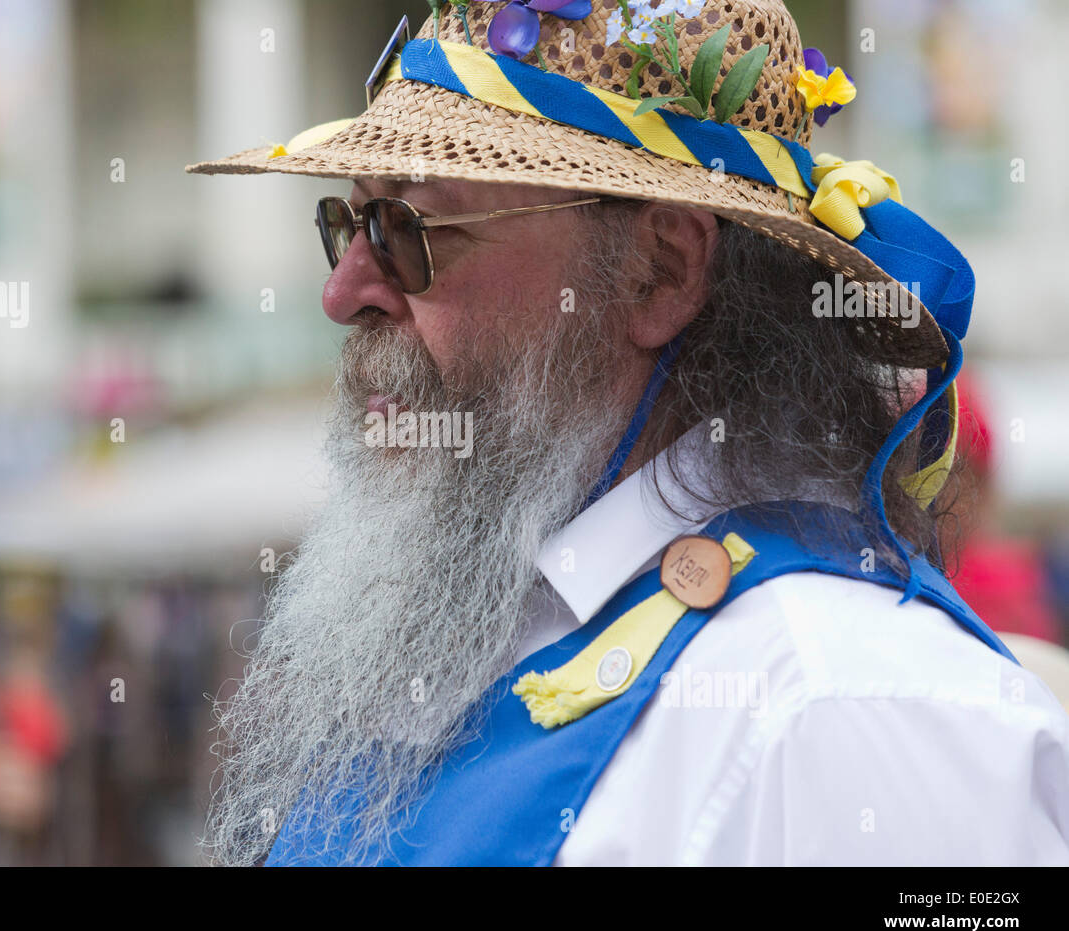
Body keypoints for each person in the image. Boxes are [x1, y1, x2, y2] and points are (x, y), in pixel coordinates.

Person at [187, 0, 1069, 865]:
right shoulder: (457, 632)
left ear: (660, 270)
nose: (343, 296)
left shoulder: (839, 711)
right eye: (347, 223)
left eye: (406, 229)